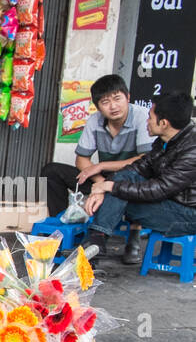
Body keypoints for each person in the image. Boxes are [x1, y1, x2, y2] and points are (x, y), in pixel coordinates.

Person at [40, 75, 153, 238]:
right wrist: (101, 183)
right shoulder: (95, 120)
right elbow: (81, 160)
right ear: (98, 106)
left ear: (127, 97)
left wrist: (101, 167)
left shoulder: (142, 117)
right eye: (105, 102)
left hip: (132, 180)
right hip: (104, 179)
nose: (113, 106)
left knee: (134, 178)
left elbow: (144, 160)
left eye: (117, 98)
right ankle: (63, 227)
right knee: (52, 171)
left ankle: (132, 233)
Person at [86, 91, 196, 253]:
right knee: (123, 181)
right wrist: (103, 186)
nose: (147, 121)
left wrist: (111, 187)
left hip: (188, 215)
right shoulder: (166, 140)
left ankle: (95, 243)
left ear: (164, 123)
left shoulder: (191, 151)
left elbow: (160, 189)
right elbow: (138, 167)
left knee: (119, 194)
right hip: (170, 202)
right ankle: (96, 241)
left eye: (150, 117)